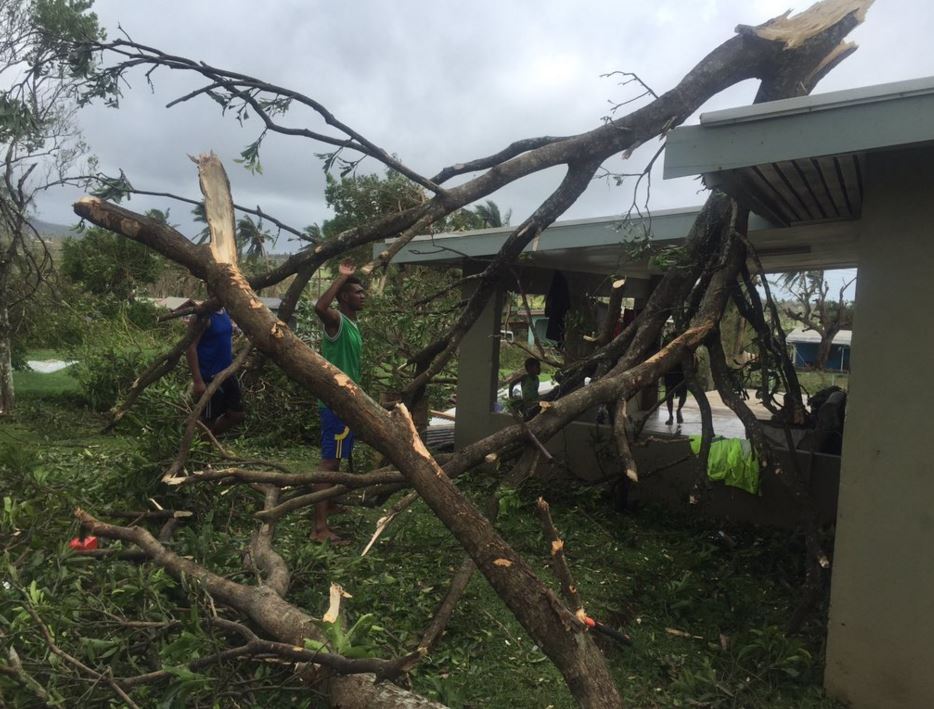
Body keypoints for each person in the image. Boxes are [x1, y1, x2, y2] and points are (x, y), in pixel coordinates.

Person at [312, 260, 366, 543]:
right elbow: (319, 308)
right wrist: (340, 277)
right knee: (329, 463)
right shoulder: (337, 321)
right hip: (334, 403)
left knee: (338, 456)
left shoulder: (354, 325)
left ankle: (330, 504)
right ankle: (319, 528)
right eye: (357, 292)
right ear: (344, 297)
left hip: (347, 401)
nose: (362, 295)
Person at [186, 303, 245, 435]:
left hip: (227, 373)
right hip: (209, 376)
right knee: (208, 419)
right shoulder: (202, 316)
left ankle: (208, 439)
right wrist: (198, 381)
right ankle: (200, 448)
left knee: (237, 414)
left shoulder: (225, 312)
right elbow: (190, 348)